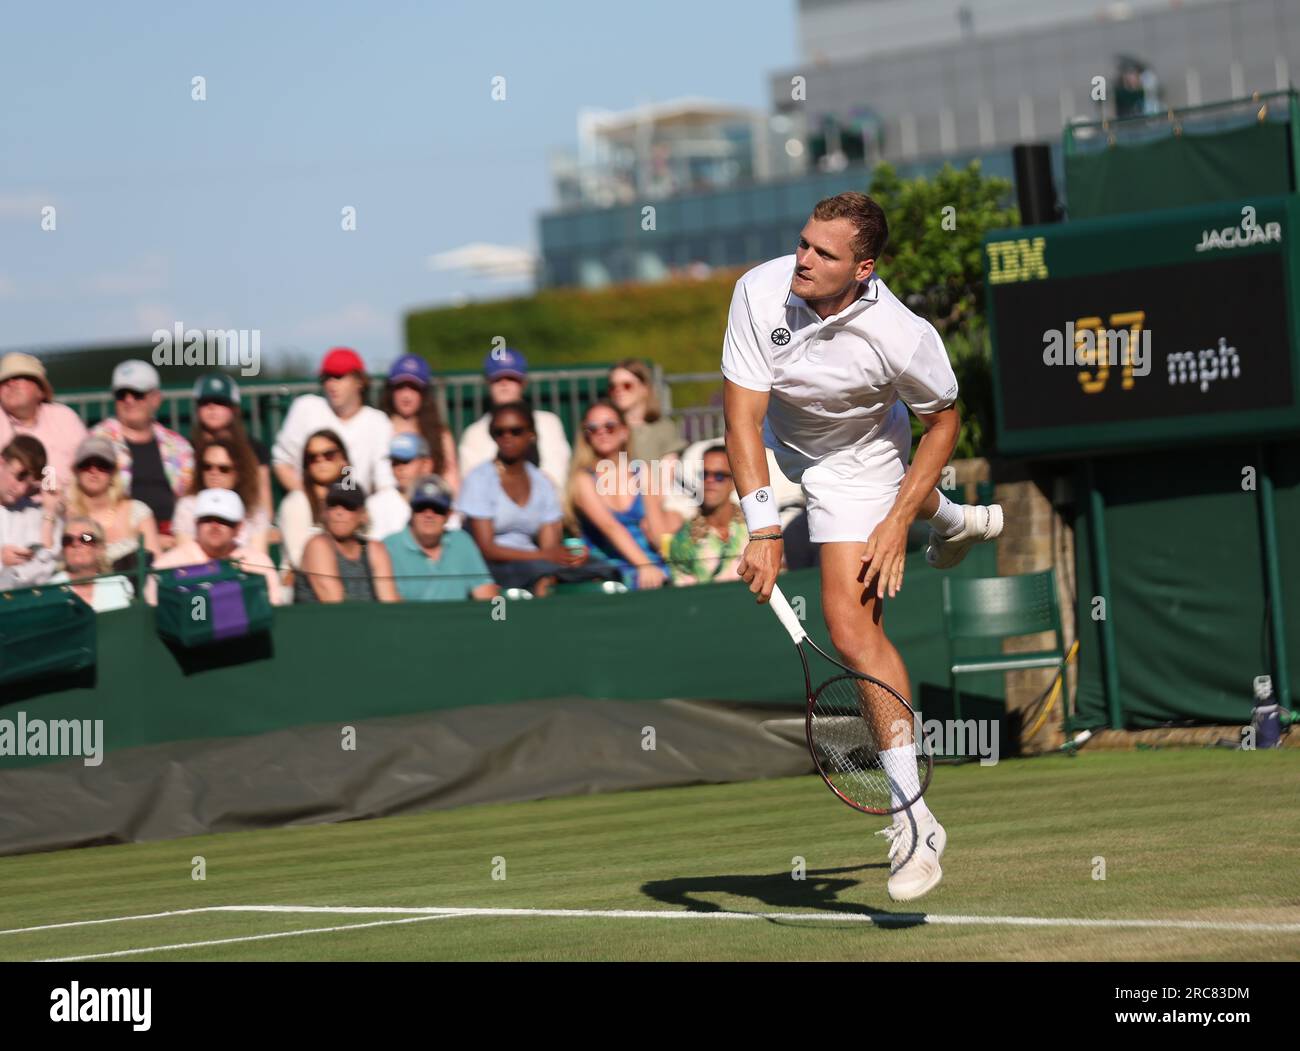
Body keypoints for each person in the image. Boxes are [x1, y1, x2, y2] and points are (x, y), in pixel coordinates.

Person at [722, 191, 1005, 903]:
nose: (804, 259)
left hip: (866, 461)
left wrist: (892, 518)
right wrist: (761, 528)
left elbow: (943, 423)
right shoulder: (758, 293)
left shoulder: (900, 333)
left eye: (825, 252)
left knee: (851, 630)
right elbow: (740, 417)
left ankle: (914, 820)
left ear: (864, 266)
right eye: (803, 242)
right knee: (851, 543)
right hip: (782, 450)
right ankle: (951, 519)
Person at [457, 401, 619, 597]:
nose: (507, 437)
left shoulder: (542, 482)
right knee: (542, 578)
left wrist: (569, 556)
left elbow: (549, 546)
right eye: (499, 432)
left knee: (603, 571)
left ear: (530, 434)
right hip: (493, 565)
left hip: (535, 560)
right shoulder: (479, 479)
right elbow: (487, 549)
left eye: (516, 431)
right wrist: (544, 556)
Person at [565, 400, 675, 591]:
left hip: (650, 560)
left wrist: (673, 558)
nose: (601, 432)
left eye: (609, 426)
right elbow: (611, 527)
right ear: (586, 435)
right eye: (593, 428)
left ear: (624, 431)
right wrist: (645, 566)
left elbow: (657, 529)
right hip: (608, 568)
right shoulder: (582, 480)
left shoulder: (643, 471)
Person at [89, 359, 193, 545]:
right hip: (119, 541)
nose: (129, 400)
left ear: (156, 399)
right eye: (122, 395)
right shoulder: (97, 442)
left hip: (175, 539)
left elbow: (191, 499)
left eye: (137, 394)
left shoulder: (178, 447)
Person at [271, 347, 395, 497]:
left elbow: (384, 483)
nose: (331, 384)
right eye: (327, 377)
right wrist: (310, 502)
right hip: (309, 508)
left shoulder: (378, 422)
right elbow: (282, 462)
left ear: (359, 381)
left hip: (354, 510)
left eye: (339, 376)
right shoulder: (306, 407)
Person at [457, 348, 571, 492]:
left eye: (511, 378)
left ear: (523, 383)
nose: (504, 384)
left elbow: (556, 477)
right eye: (498, 379)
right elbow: (473, 486)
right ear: (488, 383)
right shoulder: (474, 433)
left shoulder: (548, 423)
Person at [147, 489, 281, 605]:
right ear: (196, 523)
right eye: (207, 519)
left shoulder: (258, 563)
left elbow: (274, 608)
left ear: (238, 528)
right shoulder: (168, 565)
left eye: (224, 520)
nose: (215, 526)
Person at [383, 475, 497, 602]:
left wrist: (497, 619)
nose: (429, 515)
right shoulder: (388, 548)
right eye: (421, 507)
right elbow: (391, 609)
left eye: (438, 509)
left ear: (448, 514)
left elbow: (487, 595)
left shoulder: (462, 542)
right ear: (411, 510)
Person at [64, 435, 162, 571]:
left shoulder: (137, 512)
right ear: (76, 471)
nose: (93, 470)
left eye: (102, 465)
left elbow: (156, 563)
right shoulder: (67, 516)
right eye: (86, 464)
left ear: (113, 472)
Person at [295, 482, 400, 604]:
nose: (339, 512)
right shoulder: (317, 545)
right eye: (333, 505)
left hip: (369, 621)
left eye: (348, 506)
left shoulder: (374, 550)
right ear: (325, 512)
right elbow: (336, 605)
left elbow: (390, 604)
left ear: (362, 515)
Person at [190, 373, 274, 524]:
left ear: (234, 409)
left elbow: (263, 499)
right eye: (205, 402)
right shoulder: (187, 449)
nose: (212, 407)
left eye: (220, 402)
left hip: (242, 523)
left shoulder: (254, 449)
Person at [0, 352, 87, 492]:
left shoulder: (64, 418)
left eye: (19, 377)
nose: (10, 383)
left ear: (40, 391)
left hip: (68, 506)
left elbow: (90, 466)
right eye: (4, 381)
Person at [173, 436, 270, 552]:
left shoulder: (254, 512)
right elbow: (185, 554)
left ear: (239, 473)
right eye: (207, 467)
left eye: (223, 469)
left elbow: (258, 559)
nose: (214, 473)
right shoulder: (188, 506)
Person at [666, 445, 745, 586]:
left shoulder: (756, 529)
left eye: (719, 476)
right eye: (704, 475)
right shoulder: (683, 540)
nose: (709, 481)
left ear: (734, 482)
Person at [381, 354, 460, 494]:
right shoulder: (379, 428)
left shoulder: (440, 435)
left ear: (424, 393)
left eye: (413, 388)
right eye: (400, 387)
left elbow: (451, 482)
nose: (406, 395)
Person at [275, 428, 349, 573]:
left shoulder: (354, 499)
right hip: (307, 586)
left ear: (343, 460)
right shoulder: (297, 502)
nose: (320, 460)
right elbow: (298, 558)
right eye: (312, 457)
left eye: (329, 455)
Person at [0, 436, 60, 590]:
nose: (21, 489)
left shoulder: (35, 513)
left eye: (29, 483)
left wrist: (50, 511)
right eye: (19, 476)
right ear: (2, 462)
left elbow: (46, 569)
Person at [50, 516, 134, 613]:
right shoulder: (50, 591)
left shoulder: (119, 585)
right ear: (63, 550)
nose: (76, 544)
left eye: (85, 538)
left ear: (100, 548)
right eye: (68, 540)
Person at [607, 358, 683, 464]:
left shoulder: (663, 428)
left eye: (627, 385)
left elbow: (666, 476)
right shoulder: (604, 429)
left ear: (644, 387)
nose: (618, 391)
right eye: (613, 386)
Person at [366, 432, 432, 542]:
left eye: (406, 461)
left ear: (426, 464)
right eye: (395, 462)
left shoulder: (440, 501)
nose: (400, 468)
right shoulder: (375, 504)